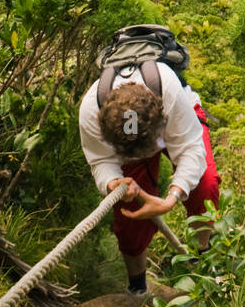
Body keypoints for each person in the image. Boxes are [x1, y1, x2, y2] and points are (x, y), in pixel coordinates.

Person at [78, 61, 220, 295]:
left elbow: (191, 150)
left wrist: (172, 197)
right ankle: (137, 287)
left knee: (206, 185)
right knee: (129, 211)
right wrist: (114, 182)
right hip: (131, 141)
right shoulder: (90, 111)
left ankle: (201, 255)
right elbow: (101, 160)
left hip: (179, 120)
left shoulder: (170, 94)